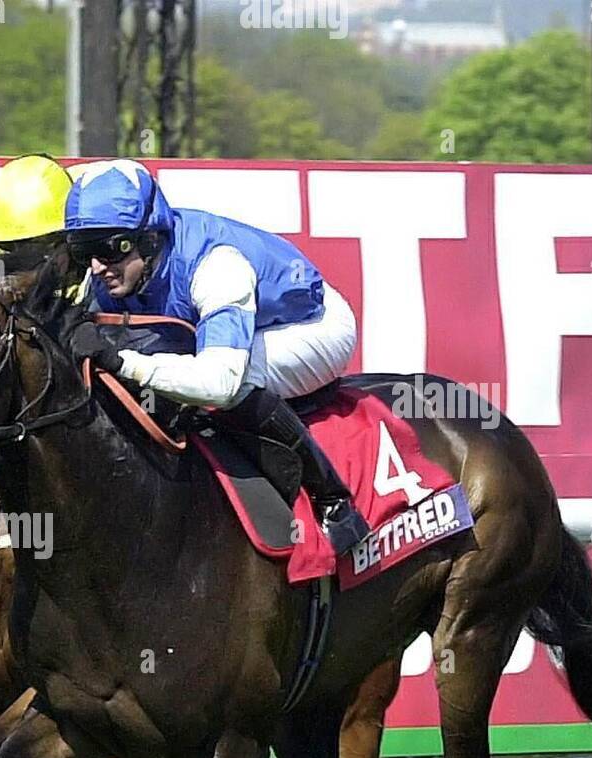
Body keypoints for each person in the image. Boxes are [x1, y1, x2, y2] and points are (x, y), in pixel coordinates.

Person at [62, 159, 369, 553]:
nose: (97, 266)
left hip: (310, 327)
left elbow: (219, 384)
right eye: (83, 251)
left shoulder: (216, 266)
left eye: (109, 249)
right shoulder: (113, 268)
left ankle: (333, 502)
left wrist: (125, 363)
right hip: (225, 322)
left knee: (227, 383)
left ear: (150, 238)